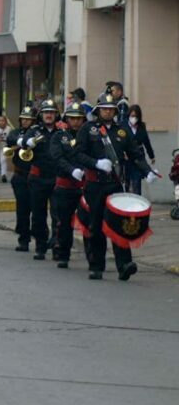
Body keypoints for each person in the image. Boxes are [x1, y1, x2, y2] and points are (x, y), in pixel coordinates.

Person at [73, 92, 156, 281]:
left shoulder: (122, 131)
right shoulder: (88, 129)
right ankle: (96, 265)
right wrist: (96, 163)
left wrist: (147, 171)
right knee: (95, 226)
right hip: (94, 185)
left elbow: (135, 154)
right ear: (98, 110)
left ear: (115, 111)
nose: (108, 112)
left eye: (111, 109)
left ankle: (124, 265)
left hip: (115, 185)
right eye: (104, 109)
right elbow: (78, 154)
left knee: (120, 225)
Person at [49, 103, 88, 269]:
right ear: (66, 119)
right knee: (64, 223)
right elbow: (57, 157)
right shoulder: (59, 137)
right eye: (72, 118)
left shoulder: (89, 136)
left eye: (79, 118)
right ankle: (63, 254)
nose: (76, 122)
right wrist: (72, 170)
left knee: (89, 223)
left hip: (85, 186)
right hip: (65, 186)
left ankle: (93, 258)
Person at [22, 99, 61, 260]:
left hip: (57, 178)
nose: (49, 115)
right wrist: (28, 142)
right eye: (46, 113)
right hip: (38, 178)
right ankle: (40, 245)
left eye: (51, 112)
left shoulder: (61, 132)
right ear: (41, 115)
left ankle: (58, 245)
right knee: (38, 214)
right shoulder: (34, 130)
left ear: (56, 115)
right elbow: (24, 142)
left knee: (58, 214)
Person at [7, 106, 37, 252]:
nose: (26, 122)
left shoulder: (38, 133)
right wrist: (22, 141)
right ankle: (23, 239)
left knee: (37, 209)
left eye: (29, 119)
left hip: (36, 176)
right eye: (23, 119)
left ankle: (40, 237)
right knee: (22, 209)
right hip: (21, 175)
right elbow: (9, 138)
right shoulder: (15, 133)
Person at [124, 104, 155, 195]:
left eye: (136, 116)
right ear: (129, 115)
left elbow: (146, 142)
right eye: (132, 116)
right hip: (126, 157)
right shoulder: (122, 125)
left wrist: (151, 156)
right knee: (126, 182)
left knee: (136, 181)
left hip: (138, 157)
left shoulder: (141, 126)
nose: (134, 118)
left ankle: (137, 203)